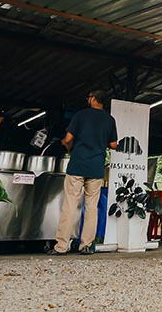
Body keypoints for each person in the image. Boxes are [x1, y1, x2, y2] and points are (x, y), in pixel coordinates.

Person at [47, 90, 118, 256]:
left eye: (89, 97)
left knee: (70, 205)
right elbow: (114, 144)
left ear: (93, 99)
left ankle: (61, 246)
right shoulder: (110, 120)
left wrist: (66, 144)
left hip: (77, 165)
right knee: (92, 207)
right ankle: (86, 245)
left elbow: (69, 138)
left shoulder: (81, 115)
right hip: (96, 167)